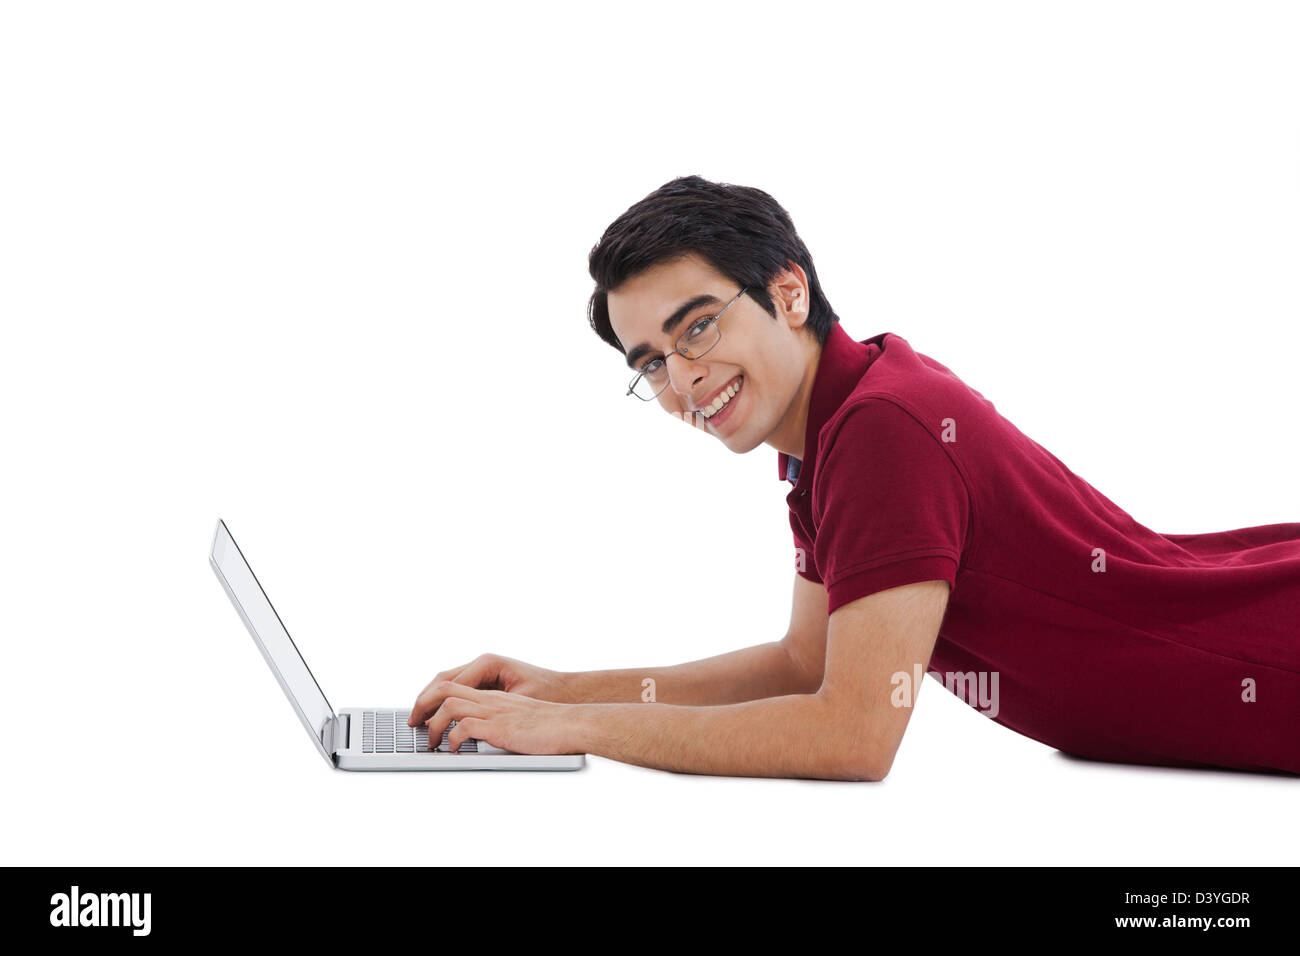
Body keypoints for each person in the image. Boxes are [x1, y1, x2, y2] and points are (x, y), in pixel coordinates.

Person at [408, 175, 1300, 779]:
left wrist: (565, 730)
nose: (681, 379)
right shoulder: (833, 427)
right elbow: (807, 665)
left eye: (698, 328)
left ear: (788, 292)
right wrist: (557, 688)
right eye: (651, 361)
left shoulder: (883, 427)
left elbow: (853, 733)